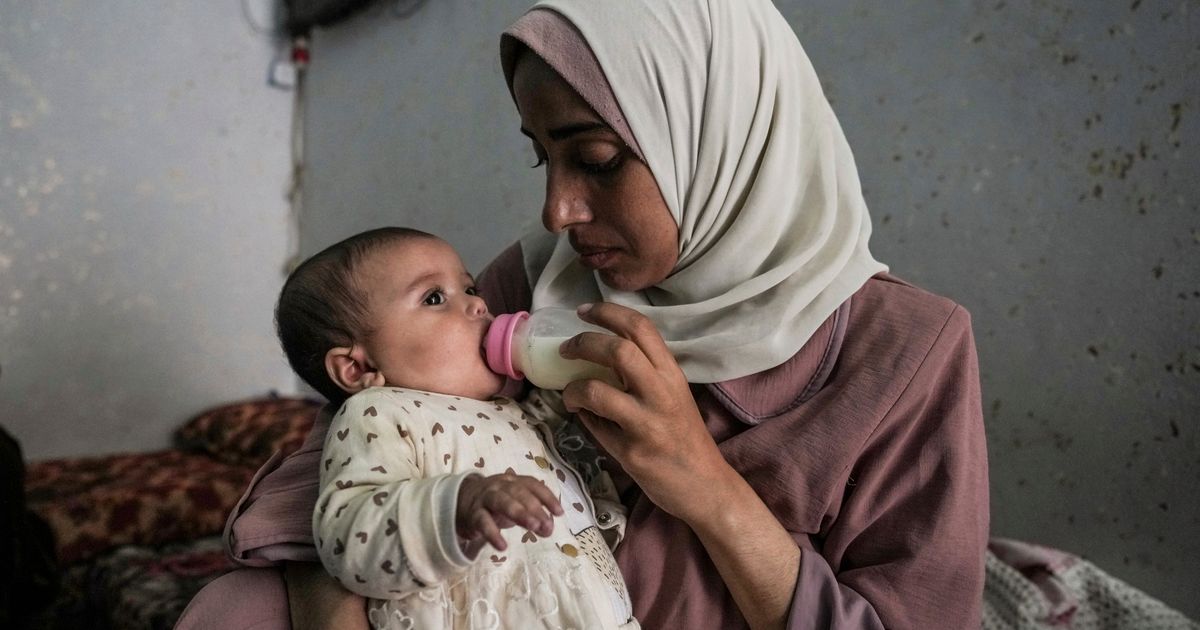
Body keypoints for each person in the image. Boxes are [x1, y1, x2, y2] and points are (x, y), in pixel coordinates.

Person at [177, 1, 988, 628]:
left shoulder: (906, 350)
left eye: (597, 159)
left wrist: (709, 487)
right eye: (544, 156)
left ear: (717, 137)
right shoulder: (541, 276)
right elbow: (346, 454)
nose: (558, 210)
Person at [274, 227, 637, 629]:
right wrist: (455, 507)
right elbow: (350, 536)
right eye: (434, 298)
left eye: (470, 288)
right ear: (359, 367)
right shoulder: (379, 413)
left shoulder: (513, 412)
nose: (479, 305)